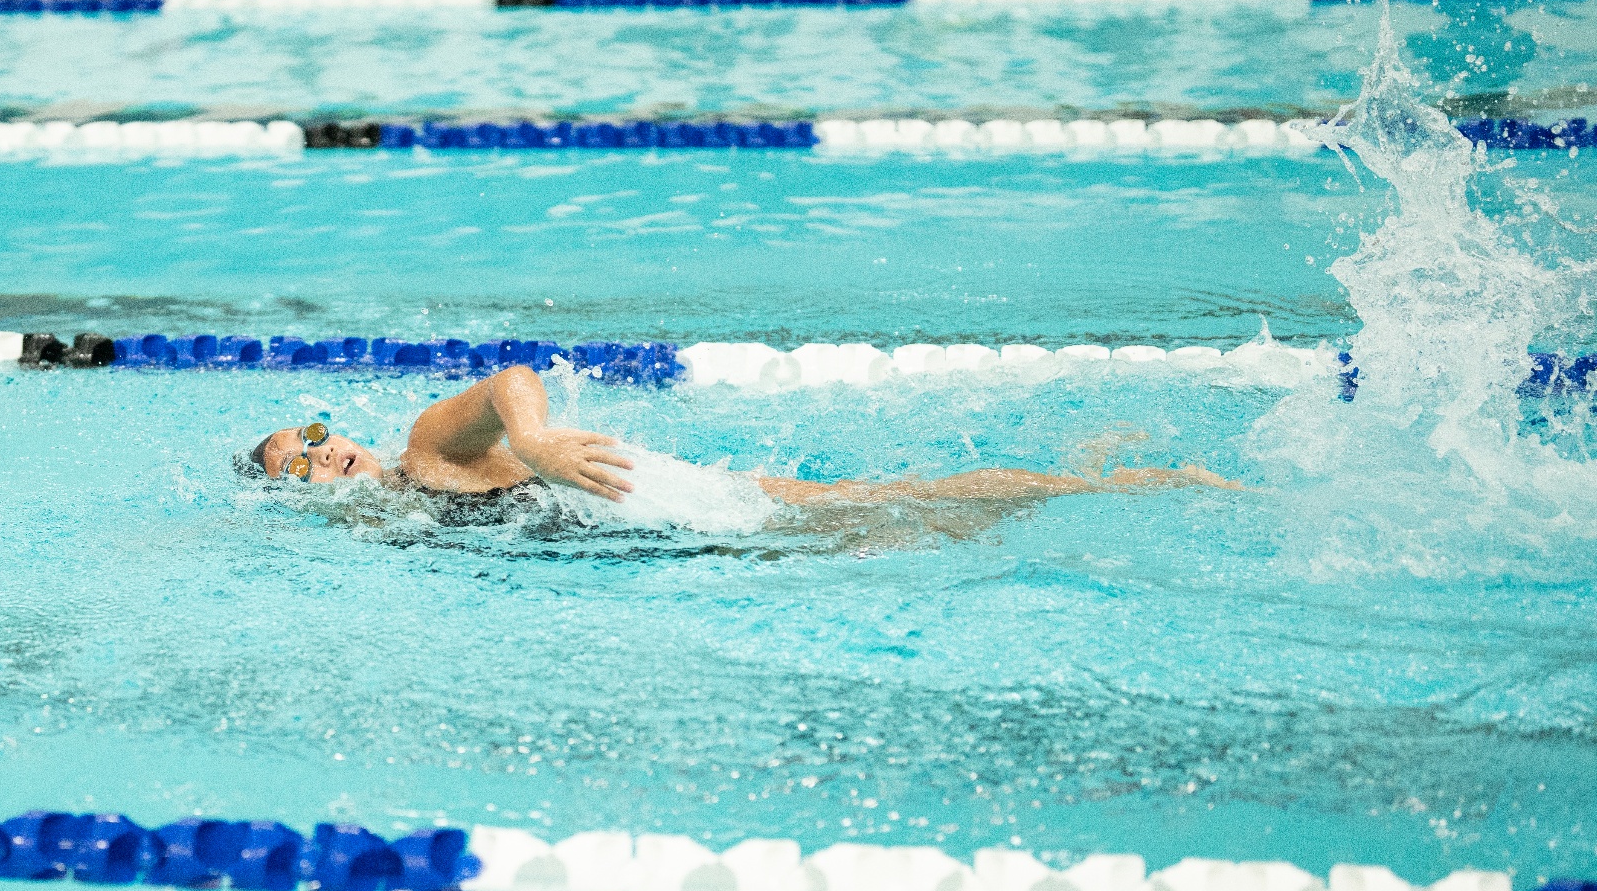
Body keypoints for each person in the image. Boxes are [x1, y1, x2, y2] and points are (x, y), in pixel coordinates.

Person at [242, 365, 1237, 530]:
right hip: (683, 536)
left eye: (316, 438)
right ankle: (1097, 470)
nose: (321, 457)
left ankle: (1135, 482)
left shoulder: (422, 452)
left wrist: (536, 444)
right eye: (298, 465)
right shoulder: (393, 522)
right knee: (918, 526)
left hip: (680, 504)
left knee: (911, 502)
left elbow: (508, 385)